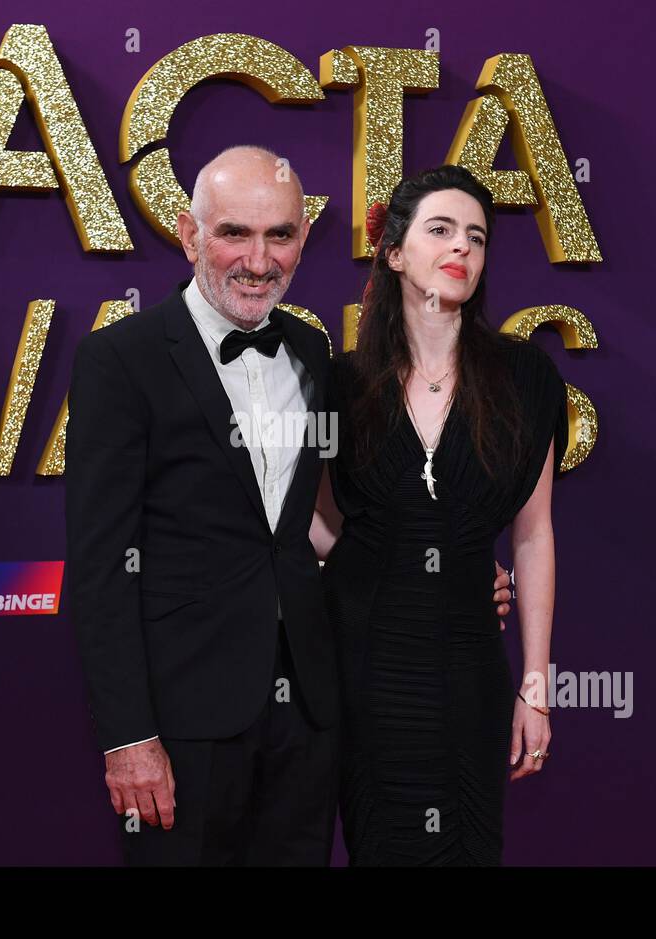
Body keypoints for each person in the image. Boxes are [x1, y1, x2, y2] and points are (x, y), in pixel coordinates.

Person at [65, 146, 515, 866]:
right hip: (183, 721)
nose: (258, 259)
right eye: (234, 233)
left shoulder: (310, 349)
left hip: (309, 709)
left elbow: (324, 524)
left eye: (279, 235)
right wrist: (128, 737)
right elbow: (97, 568)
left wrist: (445, 571)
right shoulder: (121, 361)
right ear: (188, 235)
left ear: (303, 240)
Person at [310, 164, 569, 866]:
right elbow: (322, 529)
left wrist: (536, 688)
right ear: (394, 252)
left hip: (468, 665)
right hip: (362, 665)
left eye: (477, 238)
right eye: (441, 230)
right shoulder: (341, 382)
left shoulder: (525, 378)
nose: (462, 248)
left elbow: (534, 532)